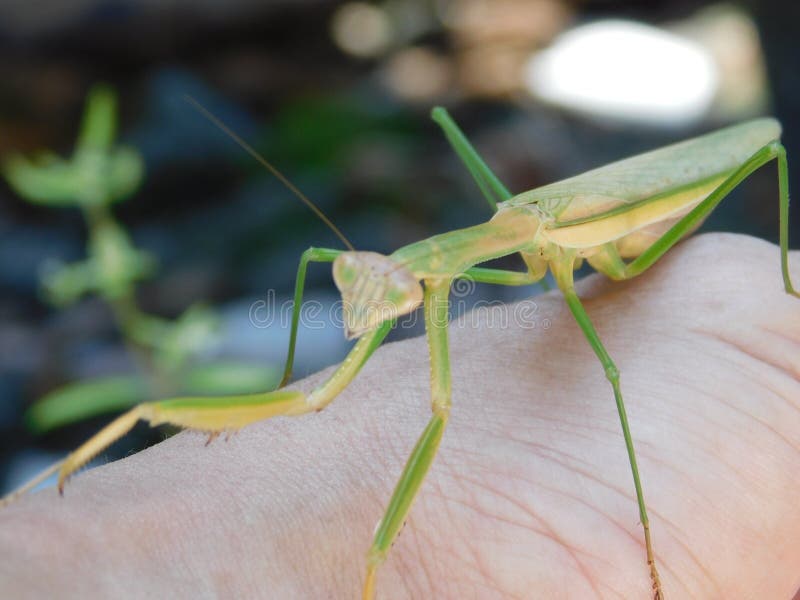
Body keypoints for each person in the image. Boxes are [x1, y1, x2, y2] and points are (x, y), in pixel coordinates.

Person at [0, 234, 798, 598]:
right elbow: (332, 278)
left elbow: (600, 377)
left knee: (446, 410)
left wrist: (650, 552)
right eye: (358, 281)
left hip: (651, 239)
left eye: (375, 288)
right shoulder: (390, 275)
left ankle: (376, 562)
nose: (359, 305)